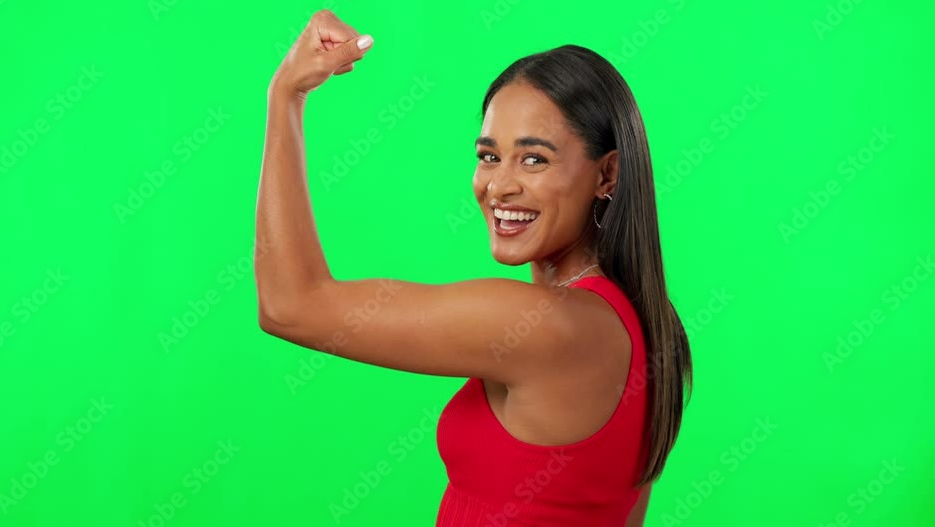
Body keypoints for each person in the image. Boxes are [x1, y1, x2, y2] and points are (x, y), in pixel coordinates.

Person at [256, 10, 692, 526]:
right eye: (489, 157)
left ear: (607, 174)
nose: (500, 186)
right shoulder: (646, 324)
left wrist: (287, 94)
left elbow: (290, 305)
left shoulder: (546, 324)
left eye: (534, 159)